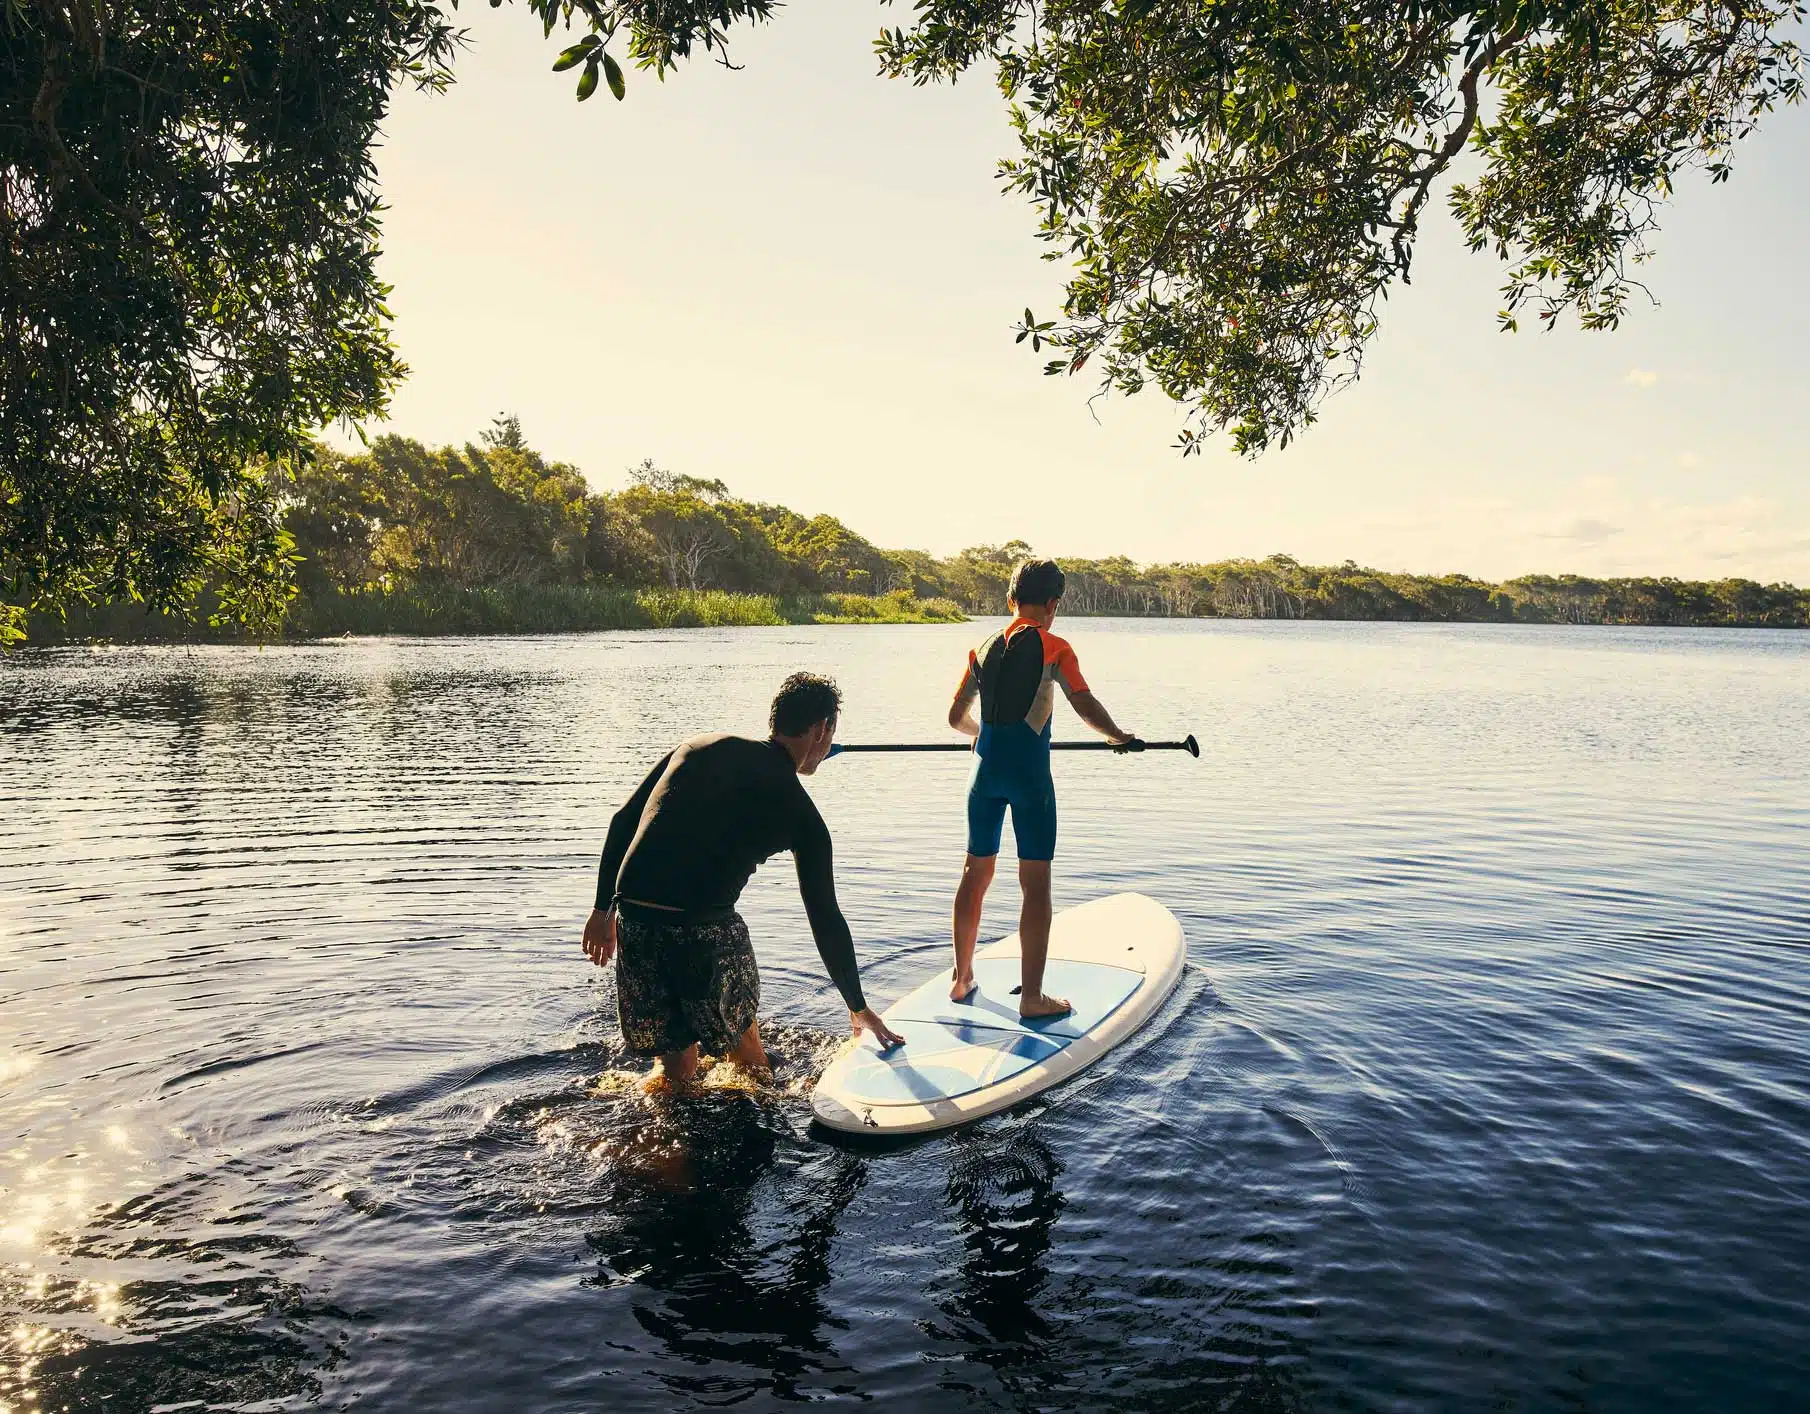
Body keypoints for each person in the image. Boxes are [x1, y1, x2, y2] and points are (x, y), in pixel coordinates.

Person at [581, 672, 905, 1089]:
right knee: (748, 1058)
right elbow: (824, 917)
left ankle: (669, 1136)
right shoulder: (801, 815)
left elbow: (623, 821)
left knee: (676, 1067)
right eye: (829, 734)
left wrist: (602, 909)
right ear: (823, 729)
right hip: (702, 929)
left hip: (635, 920)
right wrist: (858, 1006)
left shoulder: (699, 747)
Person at [946, 559, 1136, 1018]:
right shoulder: (1055, 647)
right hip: (1030, 780)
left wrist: (979, 734)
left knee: (975, 874)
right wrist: (1118, 737)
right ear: (1053, 604)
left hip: (983, 776)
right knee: (1035, 883)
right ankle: (1032, 998)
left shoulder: (981, 648)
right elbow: (1084, 703)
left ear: (1011, 600)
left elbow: (955, 719)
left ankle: (962, 978)